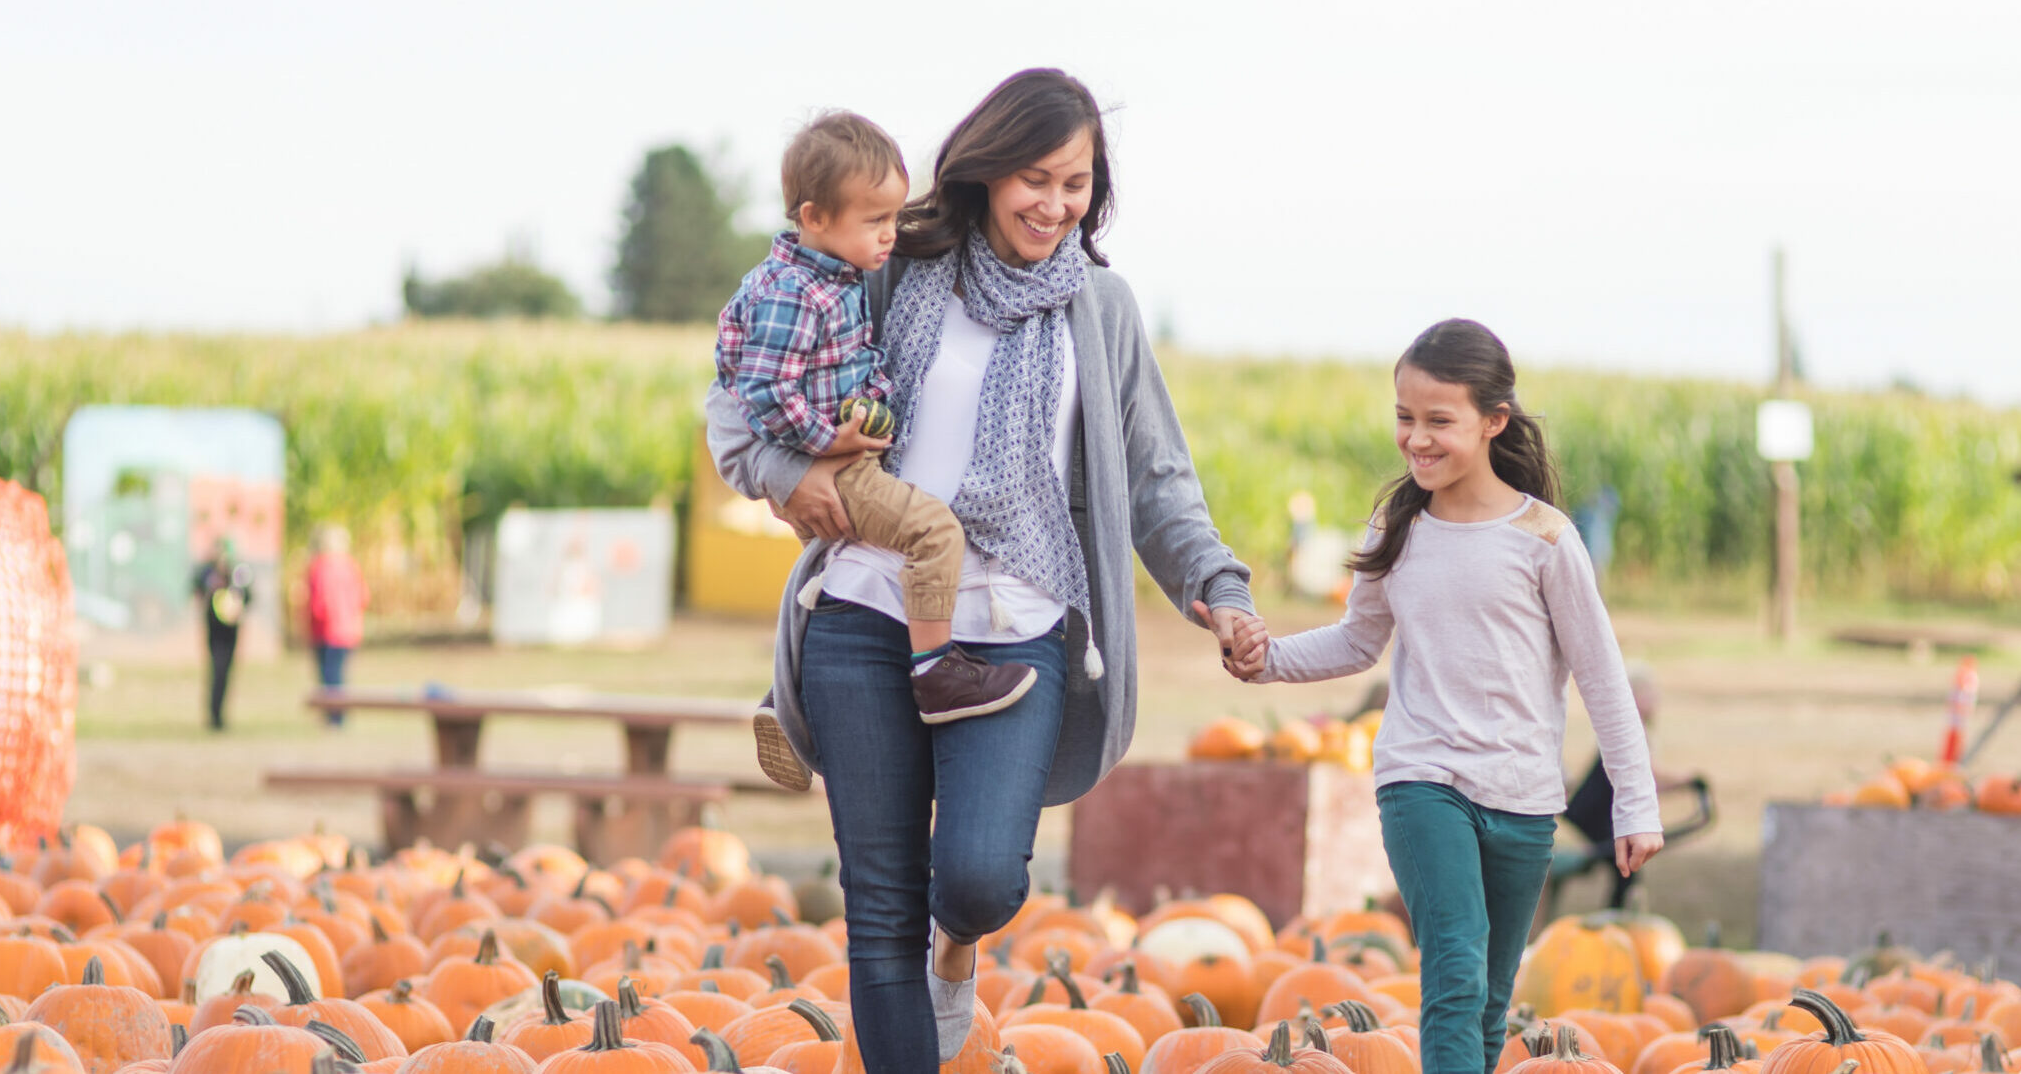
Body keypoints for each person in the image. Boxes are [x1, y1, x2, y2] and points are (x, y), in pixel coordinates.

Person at [705, 69, 1262, 1071]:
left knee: (973, 881)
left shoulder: (1099, 309)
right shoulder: (894, 263)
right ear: (986, 170)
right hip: (867, 611)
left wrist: (1218, 589)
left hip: (1017, 628)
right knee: (878, 909)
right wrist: (789, 477)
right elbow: (742, 389)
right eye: (1033, 179)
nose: (1053, 203)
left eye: (1076, 183)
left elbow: (1156, 477)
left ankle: (955, 948)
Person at [1222, 319, 1661, 1074]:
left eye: (1438, 421)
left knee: (1490, 997)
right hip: (1422, 780)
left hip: (1522, 797)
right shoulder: (1398, 526)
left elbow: (1602, 677)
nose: (1415, 438)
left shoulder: (1547, 540)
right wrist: (1266, 661)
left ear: (1494, 422)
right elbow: (1358, 640)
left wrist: (1636, 801)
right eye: (1404, 416)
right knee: (1454, 968)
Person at [717, 110, 1037, 757]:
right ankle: (936, 671)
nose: (890, 236)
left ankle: (788, 697)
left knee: (822, 567)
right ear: (813, 217)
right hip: (840, 463)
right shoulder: (797, 294)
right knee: (933, 531)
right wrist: (823, 443)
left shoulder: (833, 274)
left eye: (894, 217)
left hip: (845, 451)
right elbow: (760, 389)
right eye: (875, 221)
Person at [1560, 662, 1694, 909]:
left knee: (1627, 867)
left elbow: (1644, 785)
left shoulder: (1638, 733)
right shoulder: (1631, 733)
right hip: (1590, 813)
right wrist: (1686, 780)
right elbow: (1649, 773)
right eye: (1648, 694)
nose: (1655, 700)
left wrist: (1680, 789)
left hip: (1596, 814)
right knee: (1626, 864)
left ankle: (1618, 914)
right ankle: (1617, 918)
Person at [304, 524, 368, 729]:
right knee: (339, 675)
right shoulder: (351, 565)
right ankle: (337, 716)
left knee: (328, 675)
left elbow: (318, 603)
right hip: (349, 630)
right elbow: (363, 596)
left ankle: (333, 717)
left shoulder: (320, 566)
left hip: (327, 630)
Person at [192, 536, 254, 732]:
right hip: (214, 627)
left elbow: (249, 596)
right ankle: (214, 713)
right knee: (216, 669)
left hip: (231, 628)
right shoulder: (207, 571)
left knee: (226, 671)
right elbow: (196, 588)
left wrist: (238, 604)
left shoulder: (238, 572)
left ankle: (221, 714)